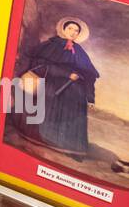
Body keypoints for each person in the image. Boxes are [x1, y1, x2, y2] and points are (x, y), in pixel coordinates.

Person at [21, 17, 98, 157]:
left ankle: (67, 146)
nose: (73, 32)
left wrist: (90, 98)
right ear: (63, 29)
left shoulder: (80, 52)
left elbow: (89, 75)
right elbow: (41, 65)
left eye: (76, 30)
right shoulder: (50, 45)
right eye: (70, 29)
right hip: (52, 87)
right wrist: (67, 73)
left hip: (75, 94)